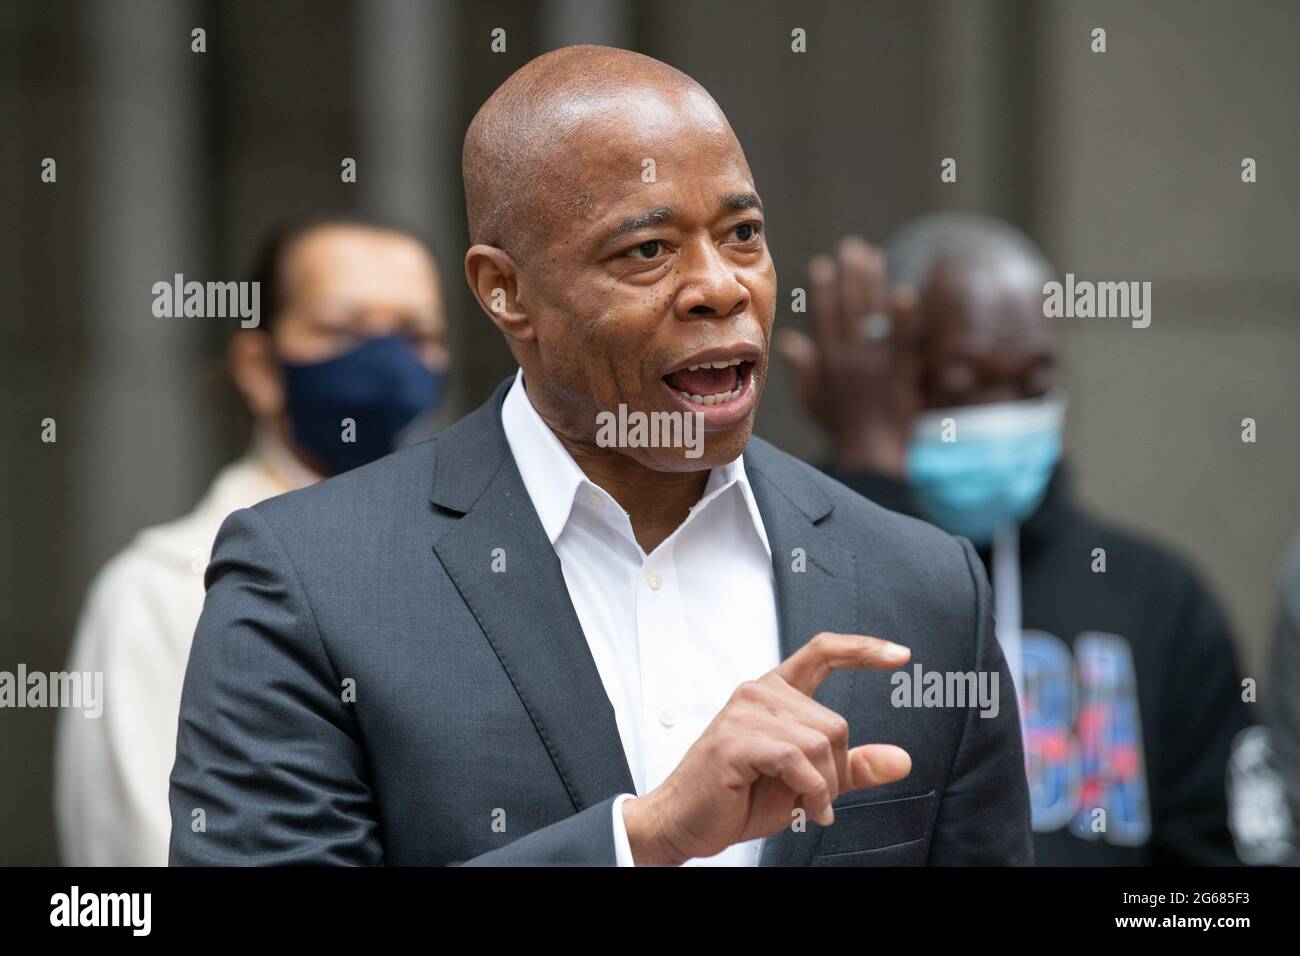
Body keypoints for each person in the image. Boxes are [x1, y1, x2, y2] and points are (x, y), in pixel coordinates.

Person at [168, 46, 1031, 867]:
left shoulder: (924, 589)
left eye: (742, 234)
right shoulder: (310, 584)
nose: (721, 286)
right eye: (648, 251)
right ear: (504, 291)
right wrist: (636, 843)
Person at [779, 212, 1251, 864]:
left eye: (1031, 382)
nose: (1002, 412)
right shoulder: (790, 566)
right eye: (961, 384)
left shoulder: (1159, 597)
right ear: (885, 379)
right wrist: (869, 476)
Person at [56, 217, 451, 865]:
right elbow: (143, 848)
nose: (386, 365)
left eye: (416, 334)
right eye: (342, 331)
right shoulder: (158, 590)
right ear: (260, 366)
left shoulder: (479, 561)